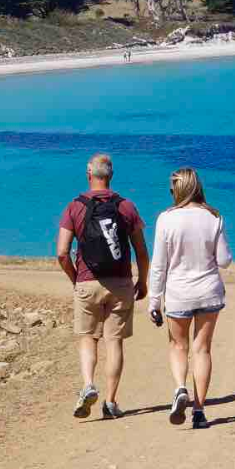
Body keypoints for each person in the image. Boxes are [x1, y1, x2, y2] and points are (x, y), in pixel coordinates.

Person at [56, 153, 150, 420]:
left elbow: (62, 252)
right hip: (120, 283)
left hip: (87, 281)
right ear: (111, 175)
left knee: (88, 338)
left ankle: (88, 385)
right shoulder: (127, 206)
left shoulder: (75, 206)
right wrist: (142, 281)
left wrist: (76, 278)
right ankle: (110, 401)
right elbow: (141, 251)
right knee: (114, 342)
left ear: (89, 174)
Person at [148, 167, 232, 430]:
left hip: (178, 294)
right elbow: (224, 260)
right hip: (209, 291)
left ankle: (180, 388)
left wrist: (154, 301)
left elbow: (159, 265)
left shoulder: (166, 219)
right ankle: (199, 410)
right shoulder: (214, 217)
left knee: (178, 346)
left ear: (178, 190)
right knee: (203, 349)